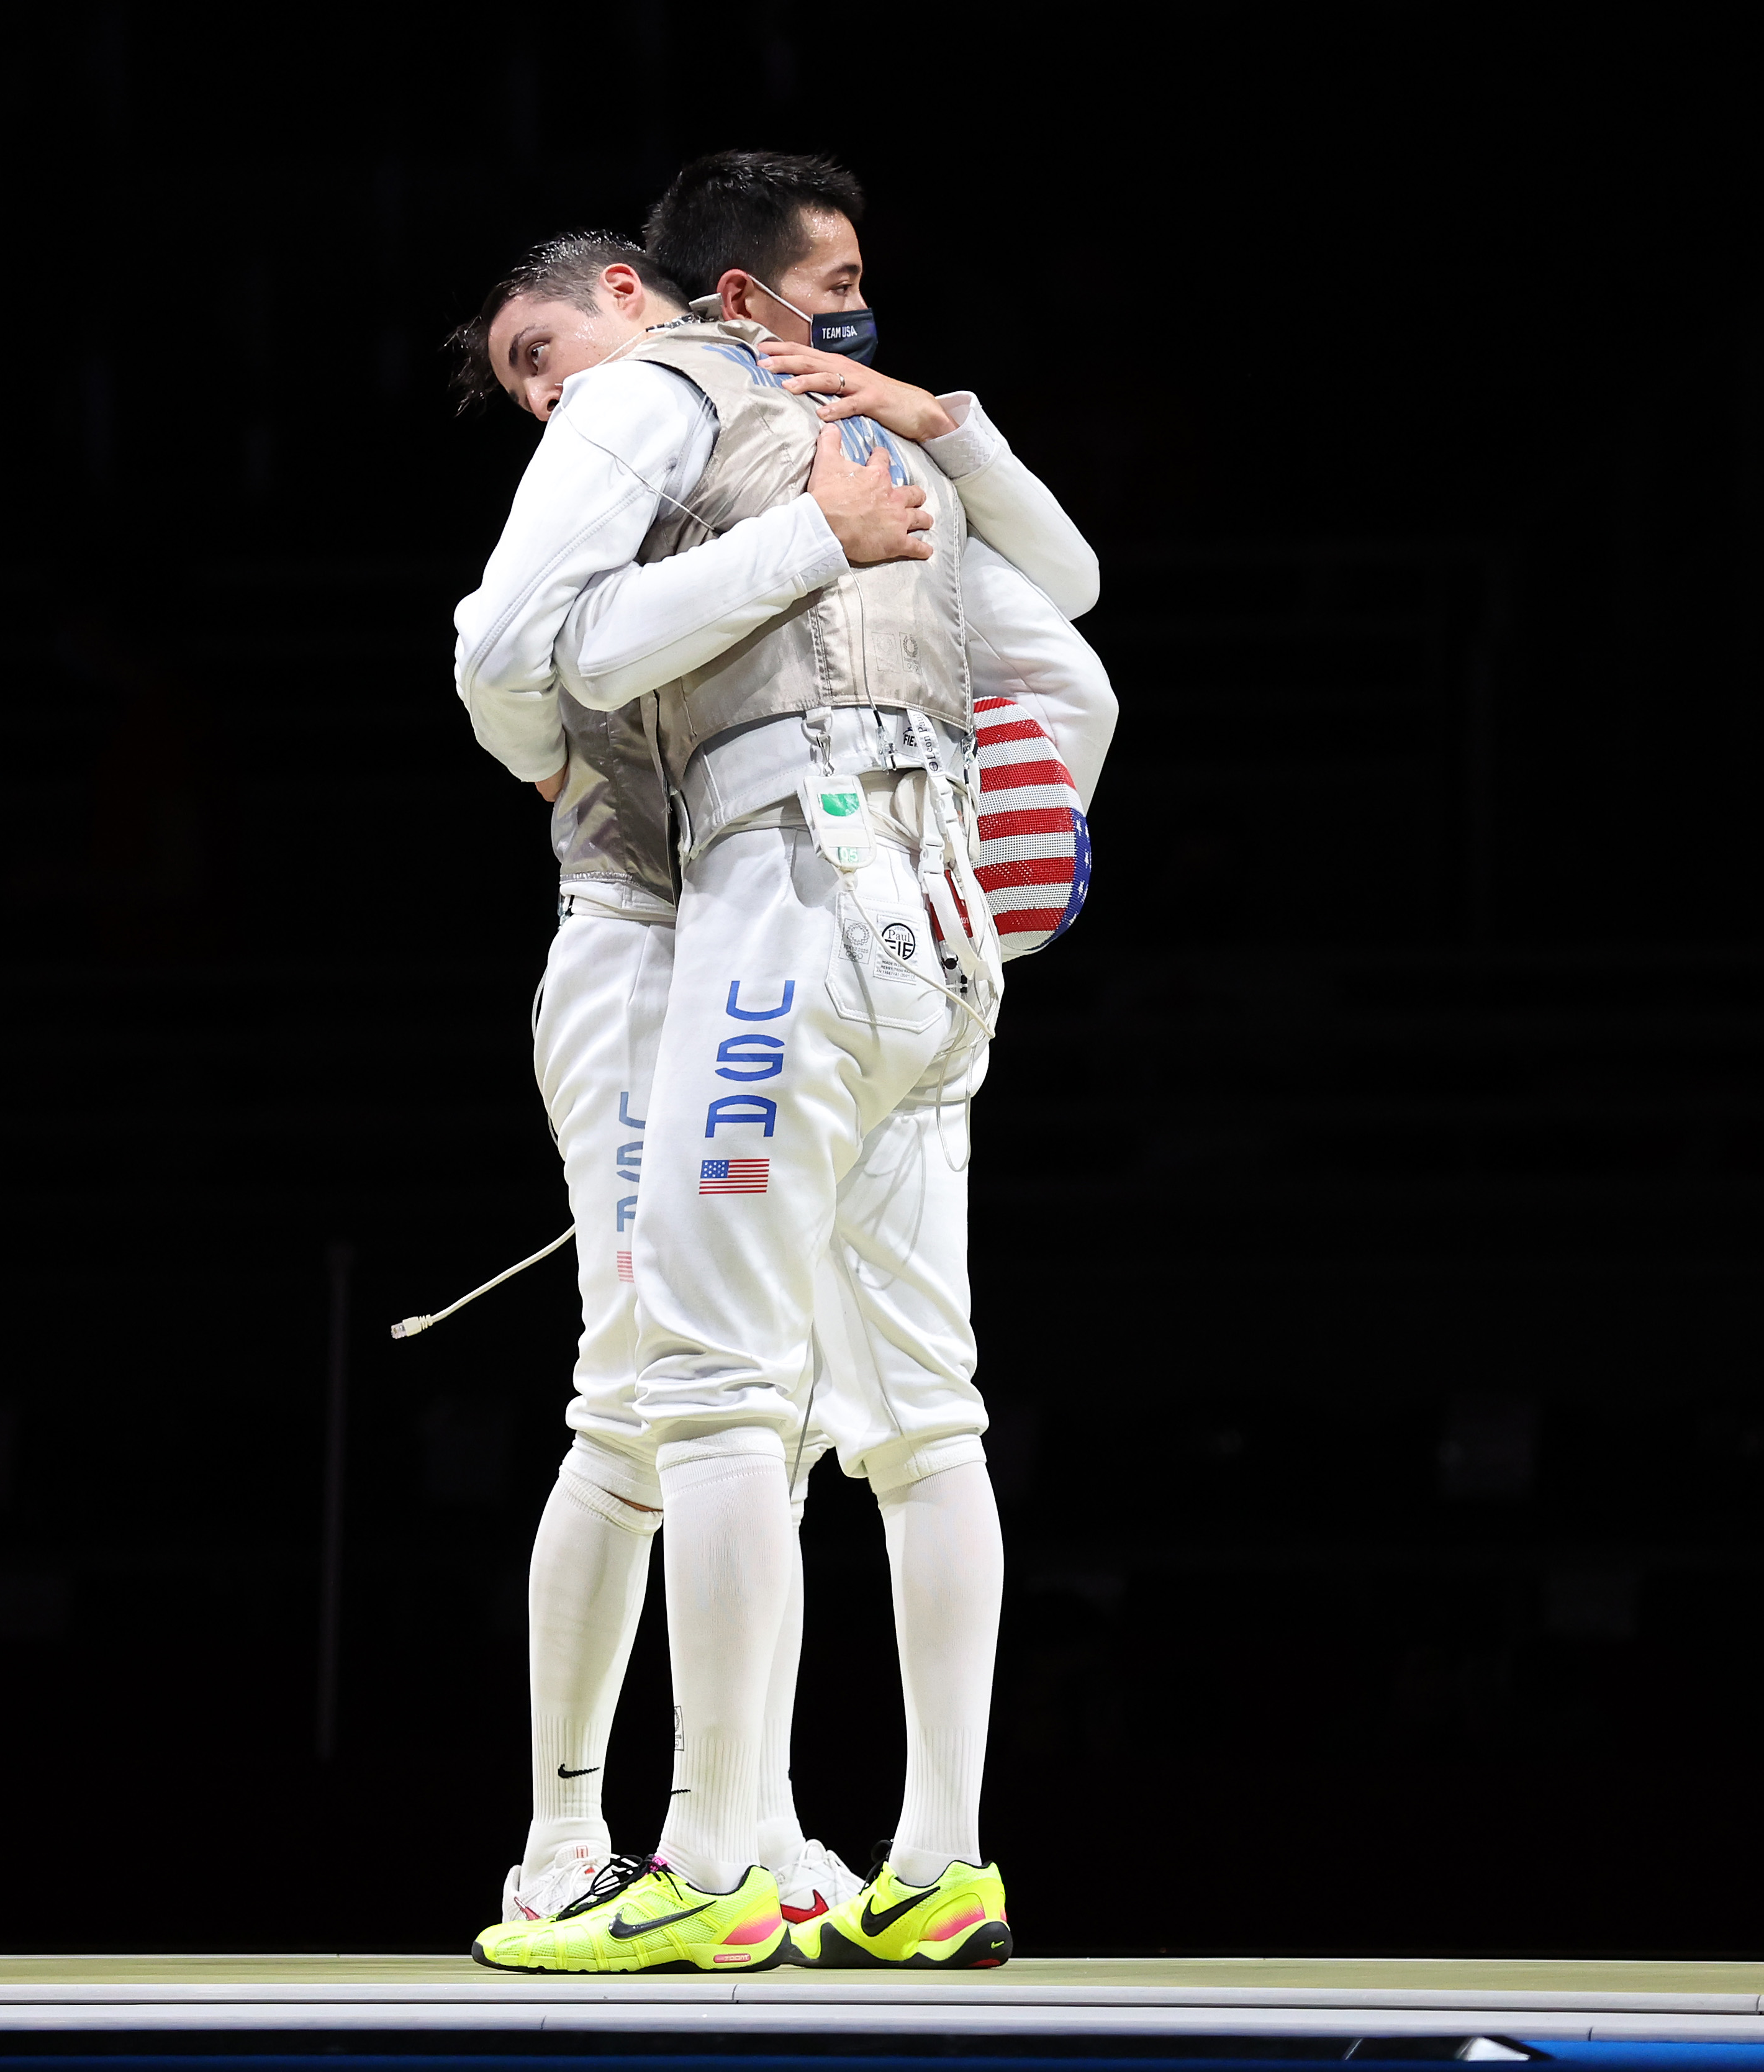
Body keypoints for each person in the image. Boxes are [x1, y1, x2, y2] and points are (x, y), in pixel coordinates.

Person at [450, 209, 1106, 1972]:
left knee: (796, 1406)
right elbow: (512, 676)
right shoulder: (818, 463)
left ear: (637, 297)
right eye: (522, 388)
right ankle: (585, 1839)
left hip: (780, 928)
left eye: (544, 355)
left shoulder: (756, 420)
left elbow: (523, 659)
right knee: (686, 1403)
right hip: (731, 940)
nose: (551, 406)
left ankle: (744, 1839)